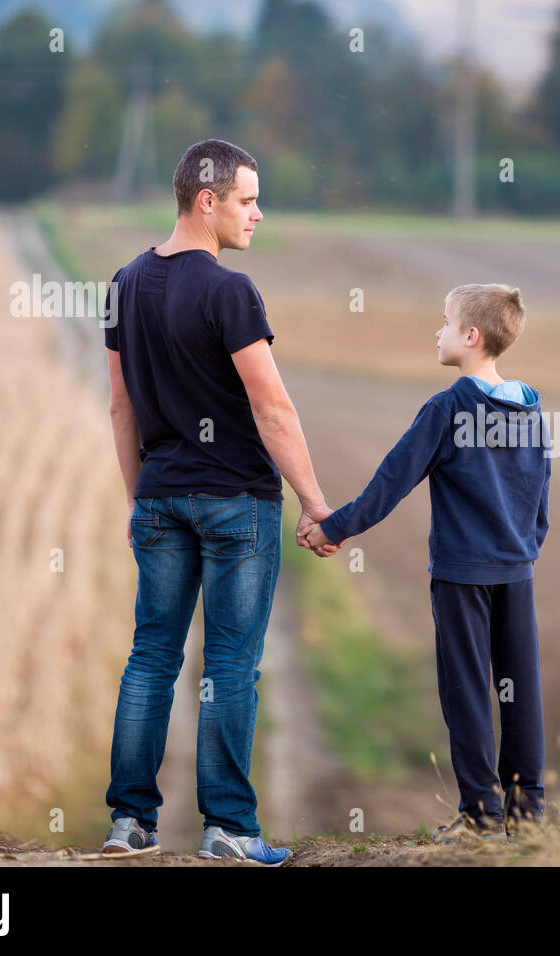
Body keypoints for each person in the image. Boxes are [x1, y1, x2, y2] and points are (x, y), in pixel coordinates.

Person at [100, 138, 338, 866]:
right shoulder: (230, 291)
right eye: (247, 199)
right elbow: (274, 409)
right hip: (237, 500)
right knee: (230, 666)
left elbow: (119, 408)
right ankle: (229, 829)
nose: (257, 214)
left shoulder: (123, 282)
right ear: (207, 201)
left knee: (150, 658)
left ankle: (129, 825)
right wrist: (316, 503)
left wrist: (143, 498)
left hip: (162, 497)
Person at [301, 283, 551, 843]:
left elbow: (392, 481)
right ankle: (529, 816)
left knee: (465, 688)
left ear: (471, 336)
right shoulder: (533, 407)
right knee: (520, 688)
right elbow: (541, 498)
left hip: (463, 574)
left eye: (443, 322)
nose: (435, 332)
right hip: (518, 571)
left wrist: (335, 527)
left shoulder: (447, 408)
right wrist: (526, 546)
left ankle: (482, 817)